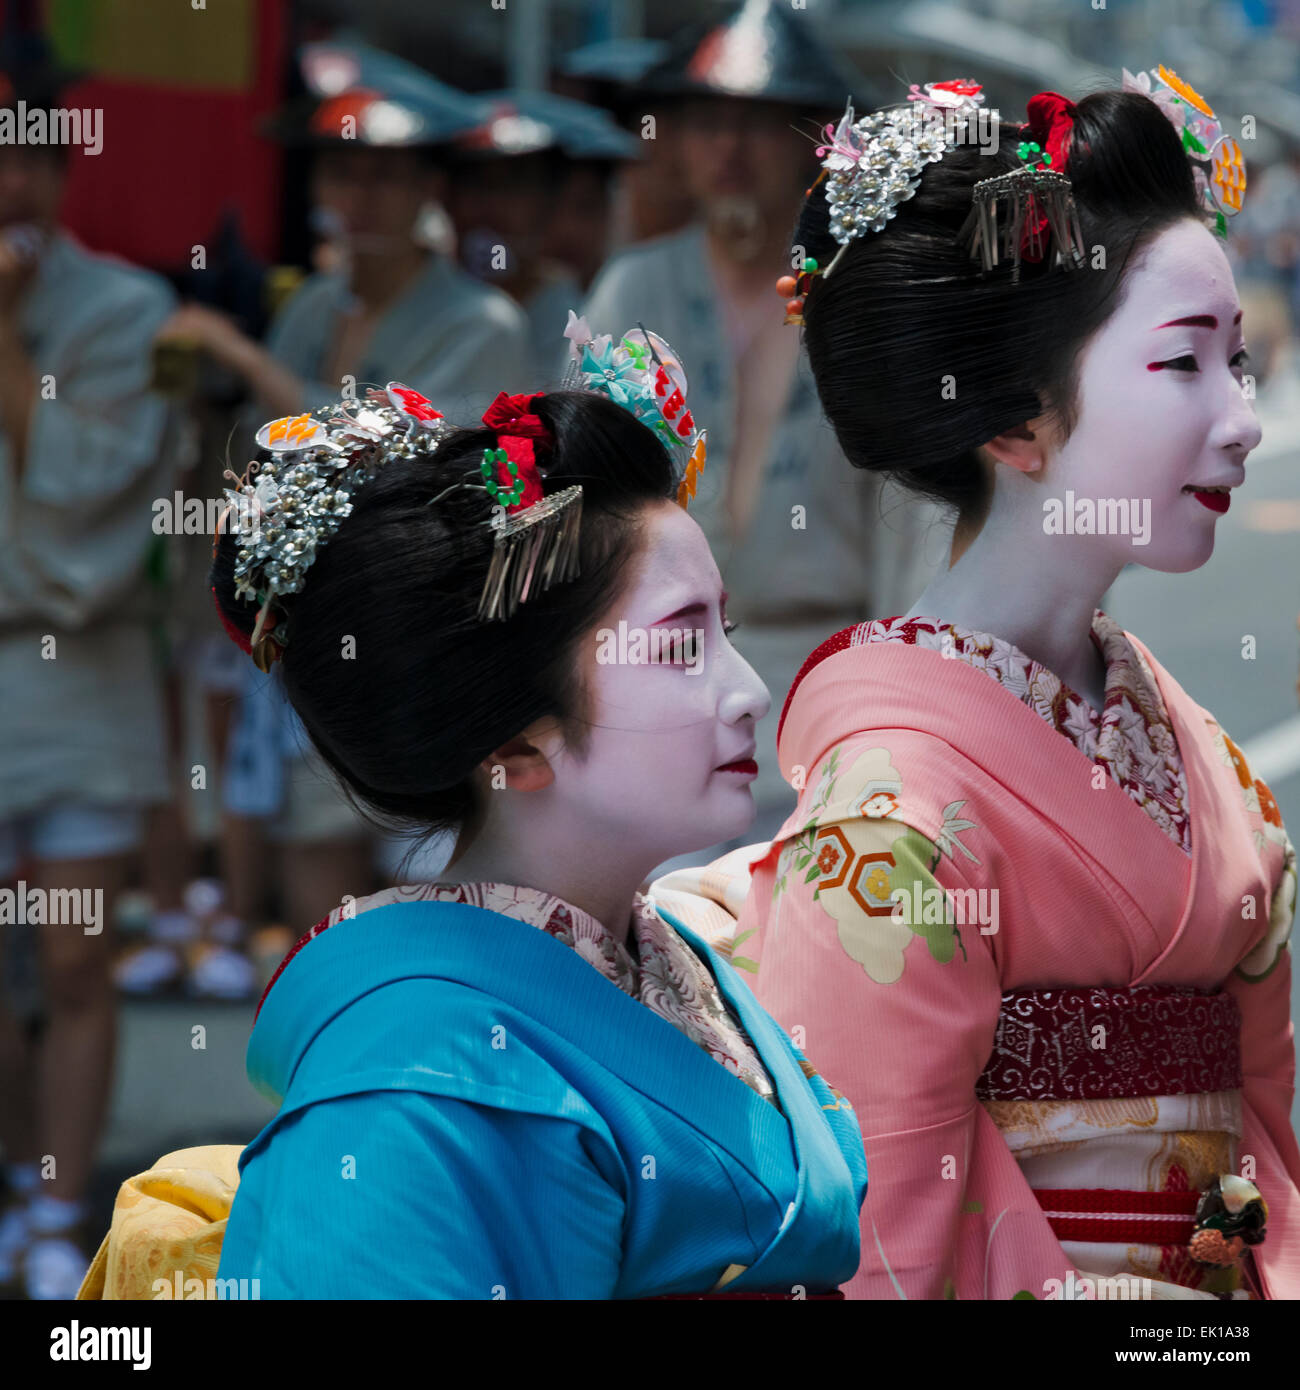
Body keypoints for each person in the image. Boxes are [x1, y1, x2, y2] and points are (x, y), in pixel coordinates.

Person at [656, 70, 1299, 1300]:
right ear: (1015, 422)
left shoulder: (1190, 744)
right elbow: (884, 1235)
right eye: (1183, 365)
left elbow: (1261, 1142)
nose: (1239, 422)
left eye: (1239, 362)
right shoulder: (892, 800)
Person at [189, 349, 867, 1298]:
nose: (748, 692)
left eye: (728, 634)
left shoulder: (668, 953)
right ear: (511, 737)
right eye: (679, 646)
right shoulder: (412, 1072)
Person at [155, 40, 535, 927]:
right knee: (315, 906)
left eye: (386, 176)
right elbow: (258, 456)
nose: (360, 198)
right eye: (342, 173)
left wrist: (243, 354)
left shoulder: (482, 318)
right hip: (309, 634)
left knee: (430, 910)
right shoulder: (313, 307)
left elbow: (401, 450)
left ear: (425, 190)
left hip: (421, 633)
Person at [579, 0, 945, 843]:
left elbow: (915, 528)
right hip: (659, 687)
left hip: (832, 679)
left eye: (760, 124)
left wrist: (902, 709)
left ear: (816, 141)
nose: (729, 150)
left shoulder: (865, 299)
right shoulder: (632, 293)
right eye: (707, 123)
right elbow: (587, 500)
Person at [0, 64, 183, 1298]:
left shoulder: (128, 311)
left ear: (63, 170)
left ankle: (63, 1203)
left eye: (27, 151)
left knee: (72, 955)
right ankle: (22, 1171)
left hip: (77, 663)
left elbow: (79, 483)